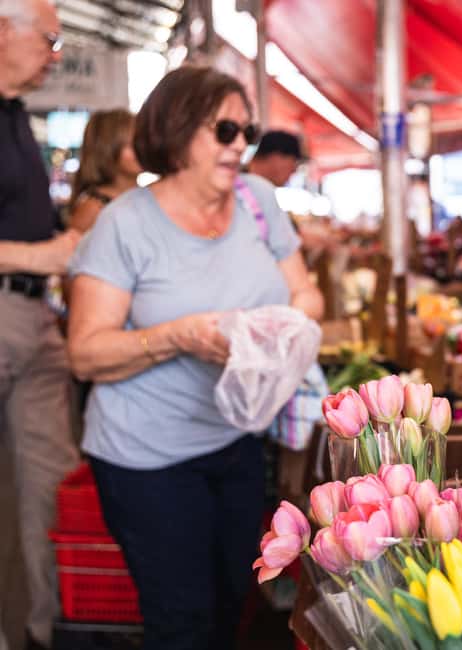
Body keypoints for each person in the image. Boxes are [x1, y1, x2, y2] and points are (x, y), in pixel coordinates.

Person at [67, 66, 323, 650]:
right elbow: (84, 353)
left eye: (247, 132)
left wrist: (281, 333)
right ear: (177, 130)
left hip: (235, 441)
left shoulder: (257, 201)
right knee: (181, 620)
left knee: (232, 601)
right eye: (225, 129)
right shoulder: (123, 224)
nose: (240, 145)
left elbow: (305, 293)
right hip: (146, 458)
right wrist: (177, 336)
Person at [0, 1, 81, 648]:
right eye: (50, 38)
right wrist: (40, 256)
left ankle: (46, 629)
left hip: (35, 315)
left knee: (50, 481)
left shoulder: (18, 118)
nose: (56, 53)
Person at [68, 109, 140, 232]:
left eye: (142, 141)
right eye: (130, 145)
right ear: (107, 150)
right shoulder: (93, 208)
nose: (141, 149)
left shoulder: (147, 196)